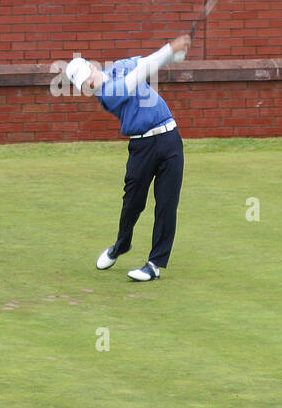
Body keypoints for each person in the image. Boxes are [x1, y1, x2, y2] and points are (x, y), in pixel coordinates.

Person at [64, 32, 193, 283]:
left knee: (167, 203)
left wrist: (178, 53)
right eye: (83, 86)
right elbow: (138, 75)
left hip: (170, 137)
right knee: (133, 202)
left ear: (92, 66)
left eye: (87, 78)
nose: (89, 85)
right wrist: (170, 48)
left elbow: (148, 64)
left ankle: (154, 264)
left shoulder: (120, 65)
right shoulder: (107, 95)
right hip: (141, 147)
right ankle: (121, 245)